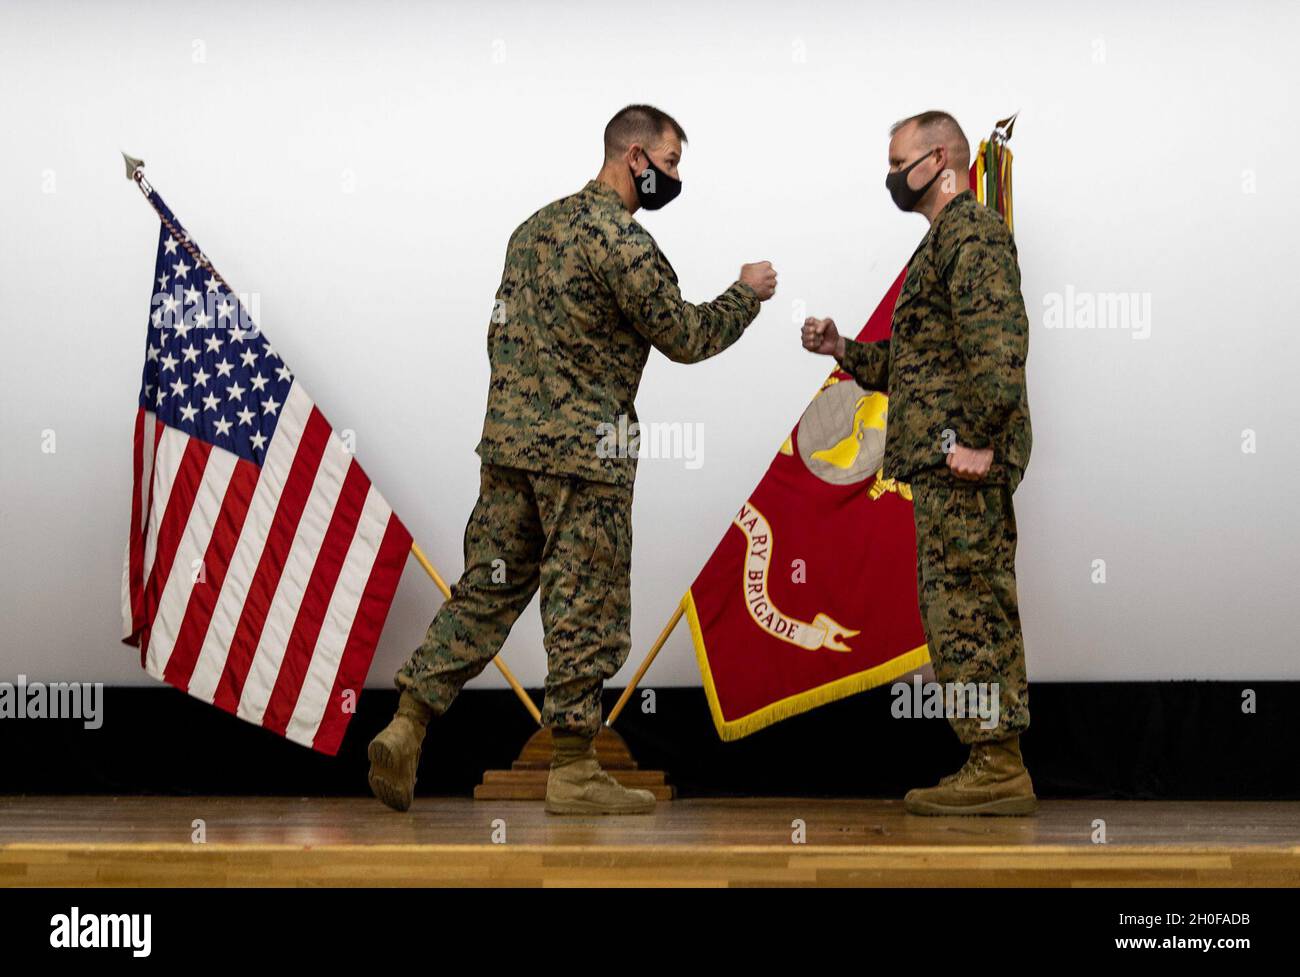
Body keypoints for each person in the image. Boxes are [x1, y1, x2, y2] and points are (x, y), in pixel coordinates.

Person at [369, 104, 777, 815]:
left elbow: (496, 333)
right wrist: (747, 294)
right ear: (636, 158)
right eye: (672, 163)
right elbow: (684, 334)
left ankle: (408, 722)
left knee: (487, 590)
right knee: (584, 602)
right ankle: (574, 766)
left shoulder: (530, 231)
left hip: (508, 450)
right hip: (586, 457)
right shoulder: (620, 240)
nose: (676, 179)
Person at [802, 110, 1036, 816]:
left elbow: (999, 349)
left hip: (960, 461)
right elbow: (916, 368)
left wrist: (979, 440)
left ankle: (995, 762)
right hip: (942, 462)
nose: (892, 173)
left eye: (900, 159)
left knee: (968, 606)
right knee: (955, 605)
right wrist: (845, 348)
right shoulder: (942, 244)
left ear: (939, 159)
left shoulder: (972, 235)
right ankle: (991, 757)